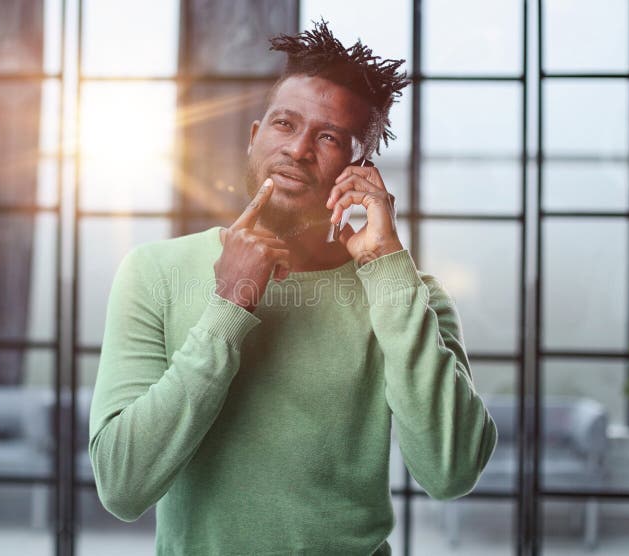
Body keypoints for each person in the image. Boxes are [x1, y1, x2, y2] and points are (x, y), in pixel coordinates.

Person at [89, 20, 498, 556]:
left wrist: (385, 263)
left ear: (359, 169)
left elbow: (452, 471)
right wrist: (227, 308)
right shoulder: (154, 271)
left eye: (328, 137)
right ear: (256, 135)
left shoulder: (406, 292)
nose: (299, 149)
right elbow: (122, 488)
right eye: (285, 123)